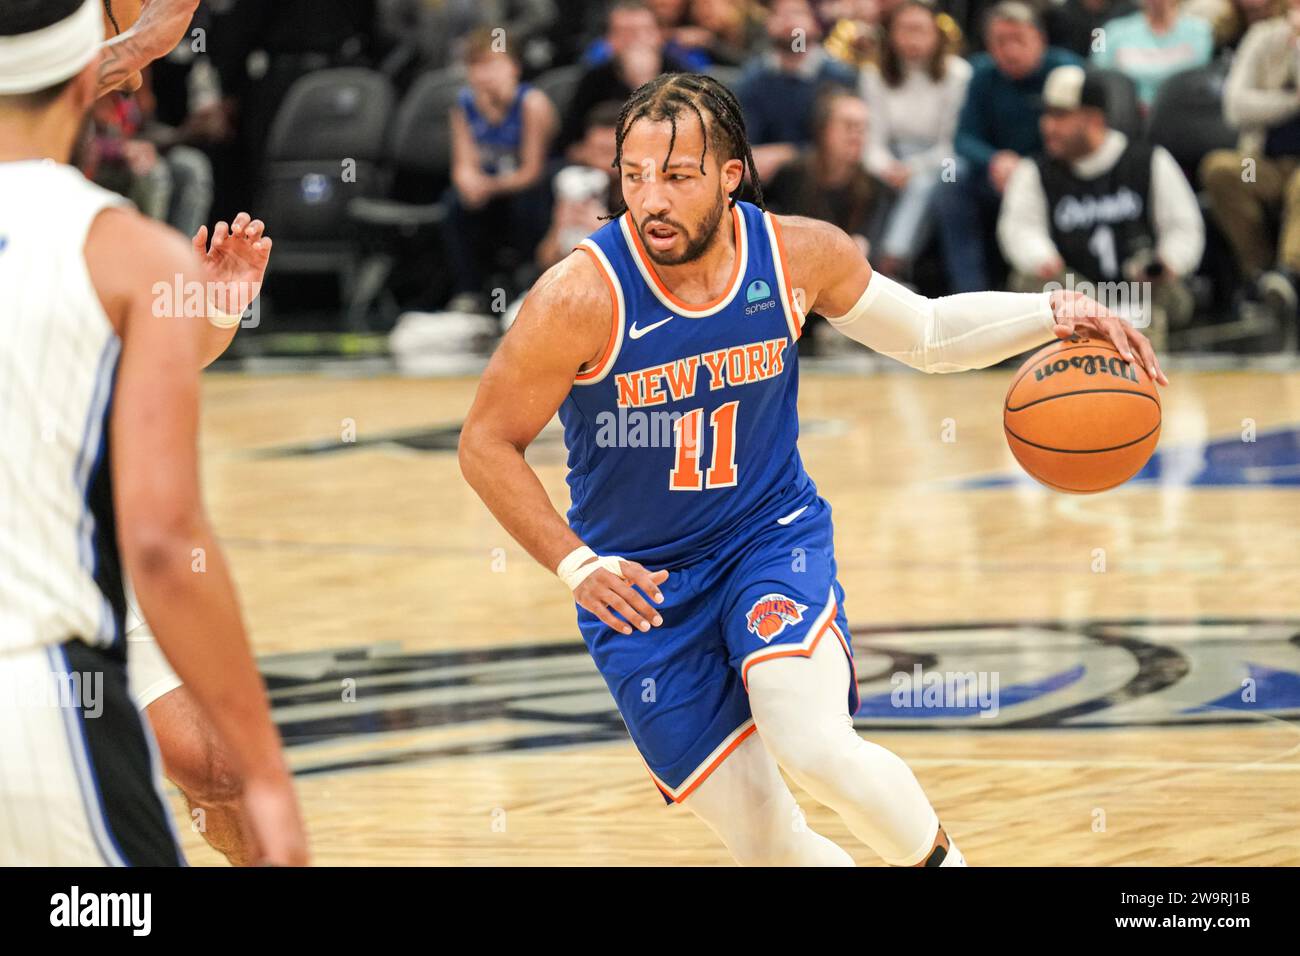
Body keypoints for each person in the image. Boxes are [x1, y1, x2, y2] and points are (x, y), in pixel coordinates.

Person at [458, 72, 1164, 867]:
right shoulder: (579, 296)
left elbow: (927, 334)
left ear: (730, 177)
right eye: (633, 176)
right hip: (640, 586)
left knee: (814, 742)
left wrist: (1055, 313)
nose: (651, 198)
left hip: (768, 539)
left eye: (678, 176)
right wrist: (575, 564)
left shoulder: (796, 253)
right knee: (768, 843)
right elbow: (485, 442)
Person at [0, 0, 306, 866]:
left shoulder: (124, 258)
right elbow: (170, 542)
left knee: (214, 768)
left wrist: (206, 312)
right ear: (85, 84)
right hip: (44, 658)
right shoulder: (125, 253)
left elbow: (121, 368)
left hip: (74, 569)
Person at [998, 65, 1203, 351]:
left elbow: (1183, 227)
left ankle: (1133, 335)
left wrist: (1169, 261)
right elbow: (1019, 230)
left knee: (1172, 291)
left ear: (1093, 119)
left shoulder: (1148, 160)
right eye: (1046, 114)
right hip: (1074, 292)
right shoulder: (1034, 170)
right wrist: (1042, 257)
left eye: (1060, 116)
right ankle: (1100, 336)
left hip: (1141, 290)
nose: (1048, 126)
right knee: (1027, 280)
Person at [936, 1, 1082, 293]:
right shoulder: (982, 73)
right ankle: (970, 297)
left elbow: (1079, 135)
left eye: (1018, 40)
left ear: (1039, 39)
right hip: (1001, 175)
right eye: (1001, 42)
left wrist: (1028, 168)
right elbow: (963, 137)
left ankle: (1072, 286)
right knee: (951, 184)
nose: (1010, 50)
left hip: (1054, 173)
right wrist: (995, 160)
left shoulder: (1065, 70)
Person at [1200, 0, 1300, 325]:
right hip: (1264, 165)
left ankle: (1290, 274)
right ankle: (1260, 278)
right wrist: (1291, 102)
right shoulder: (1262, 36)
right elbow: (1235, 107)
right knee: (1222, 170)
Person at [443, 27, 556, 312]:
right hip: (489, 185)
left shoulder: (532, 103)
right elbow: (462, 165)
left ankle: (529, 284)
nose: (485, 74)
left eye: (493, 64)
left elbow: (532, 170)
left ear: (514, 67)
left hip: (526, 186)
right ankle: (468, 291)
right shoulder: (464, 105)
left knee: (528, 202)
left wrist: (488, 186)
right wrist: (470, 184)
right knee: (455, 203)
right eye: (477, 65)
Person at [860, 0, 971, 278]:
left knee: (924, 183)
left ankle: (892, 259)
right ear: (891, 34)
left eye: (920, 30)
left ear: (937, 33)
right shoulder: (873, 74)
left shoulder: (958, 73)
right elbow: (872, 143)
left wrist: (913, 169)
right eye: (905, 30)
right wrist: (888, 168)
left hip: (941, 158)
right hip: (892, 158)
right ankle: (876, 262)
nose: (912, 38)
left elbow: (951, 142)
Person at [736, 0, 860, 182]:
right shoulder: (753, 77)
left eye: (797, 13)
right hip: (763, 180)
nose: (789, 22)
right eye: (779, 13)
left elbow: (839, 143)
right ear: (768, 24)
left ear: (816, 25)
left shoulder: (839, 78)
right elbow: (744, 134)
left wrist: (788, 154)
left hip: (820, 180)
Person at [556, 1, 690, 156]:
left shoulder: (683, 76)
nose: (634, 40)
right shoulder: (594, 79)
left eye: (642, 31)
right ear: (609, 41)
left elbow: (693, 138)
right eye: (624, 32)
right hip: (603, 164)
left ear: (658, 35)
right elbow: (568, 144)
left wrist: (642, 82)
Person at [1090, 0, 1213, 109]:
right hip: (1127, 114)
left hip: (1181, 113)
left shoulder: (1201, 30)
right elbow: (1097, 75)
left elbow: (1198, 77)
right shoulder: (1110, 30)